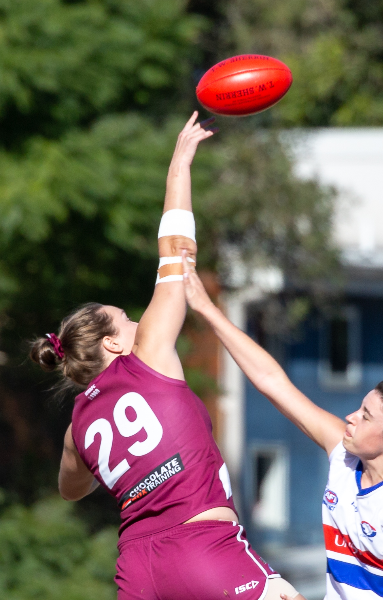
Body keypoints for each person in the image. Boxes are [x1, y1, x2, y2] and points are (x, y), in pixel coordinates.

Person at [30, 113, 303, 600]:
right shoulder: (148, 354)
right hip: (202, 547)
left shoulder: (78, 428)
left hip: (138, 568)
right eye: (125, 319)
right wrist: (180, 164)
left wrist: (130, 476)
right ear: (113, 344)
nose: (138, 321)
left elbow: (70, 490)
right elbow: (175, 252)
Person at [181, 255, 383, 600]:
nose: (351, 417)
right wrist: (207, 309)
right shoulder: (345, 454)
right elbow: (272, 381)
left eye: (365, 415)